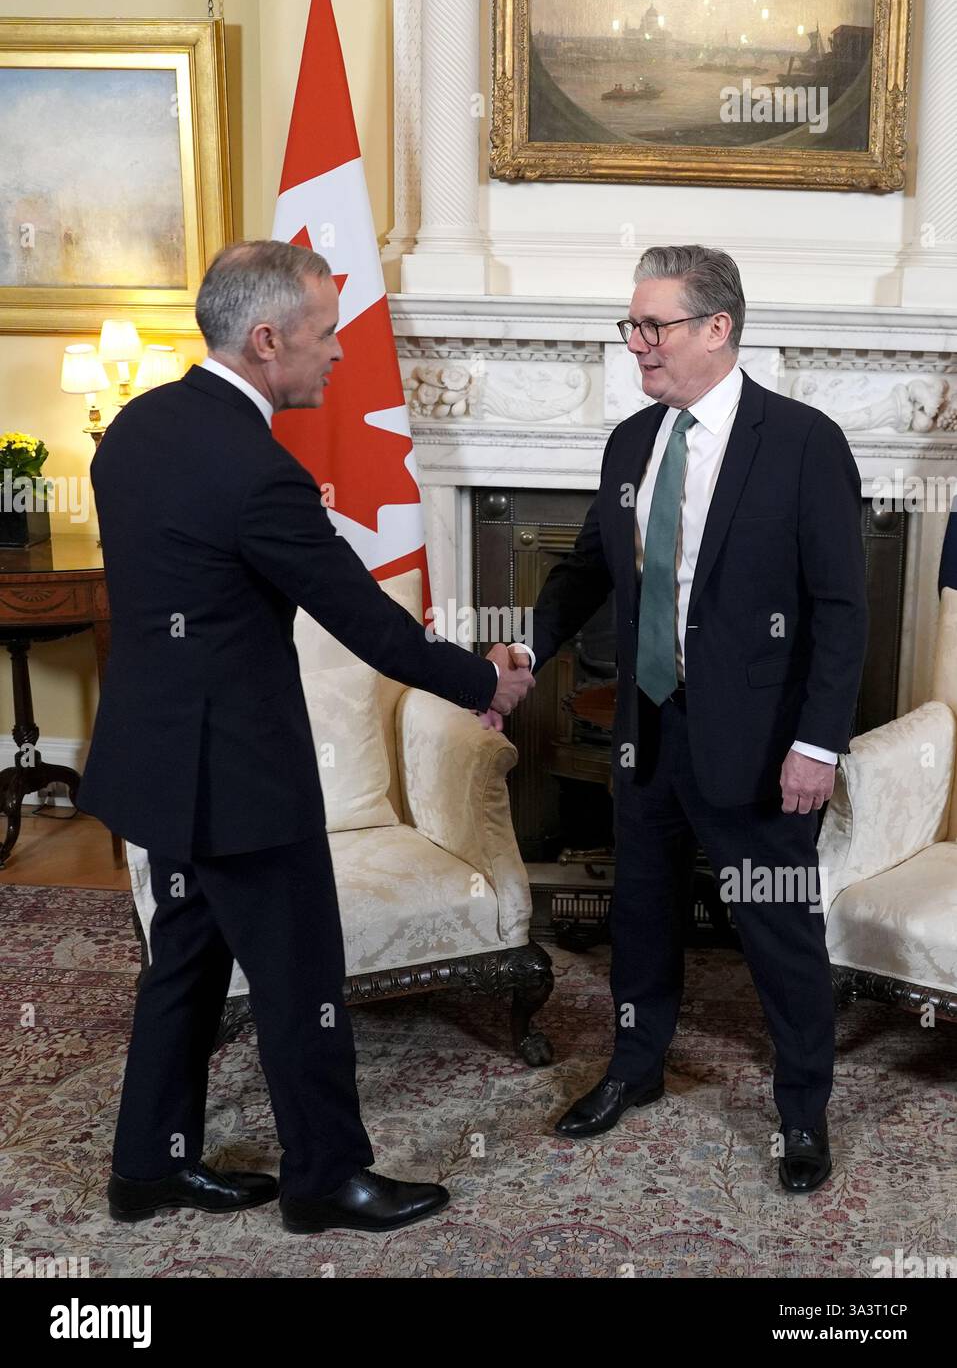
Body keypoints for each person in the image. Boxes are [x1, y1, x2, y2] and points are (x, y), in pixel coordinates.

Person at [78, 239, 534, 1233]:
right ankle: (326, 1179)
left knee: (186, 964)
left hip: (157, 762)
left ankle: (147, 1168)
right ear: (267, 336)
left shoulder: (135, 431)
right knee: (300, 985)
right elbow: (367, 624)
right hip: (239, 776)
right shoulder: (256, 470)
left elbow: (185, 586)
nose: (339, 355)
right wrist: (486, 678)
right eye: (327, 335)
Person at [507, 245, 867, 1193]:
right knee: (642, 911)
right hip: (646, 732)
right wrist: (517, 651)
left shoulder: (801, 441)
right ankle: (635, 1067)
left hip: (761, 750)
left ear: (718, 328)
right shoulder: (632, 442)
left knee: (778, 930)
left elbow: (839, 608)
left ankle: (801, 1114)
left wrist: (816, 744)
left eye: (653, 325)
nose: (637, 344)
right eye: (631, 325)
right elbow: (585, 570)